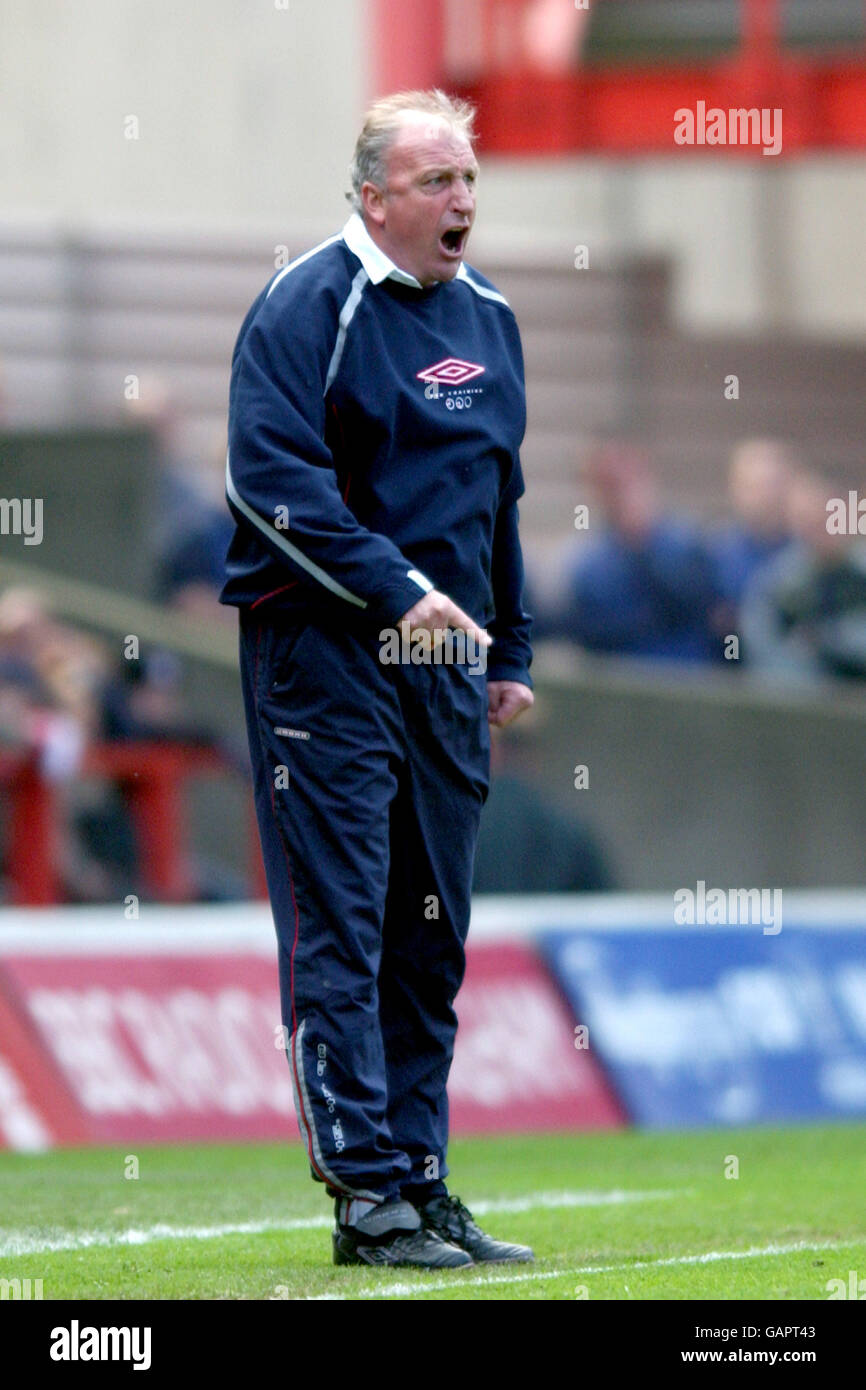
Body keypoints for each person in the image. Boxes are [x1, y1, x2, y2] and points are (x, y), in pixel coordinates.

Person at [221, 90, 534, 1269]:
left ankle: (421, 1174)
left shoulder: (492, 316)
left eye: (467, 179)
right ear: (372, 198)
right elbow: (270, 482)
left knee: (429, 931)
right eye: (436, 182)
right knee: (341, 924)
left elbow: (497, 491)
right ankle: (365, 1195)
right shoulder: (305, 307)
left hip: (445, 664)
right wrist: (396, 587)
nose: (461, 201)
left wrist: (508, 646)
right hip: (326, 648)